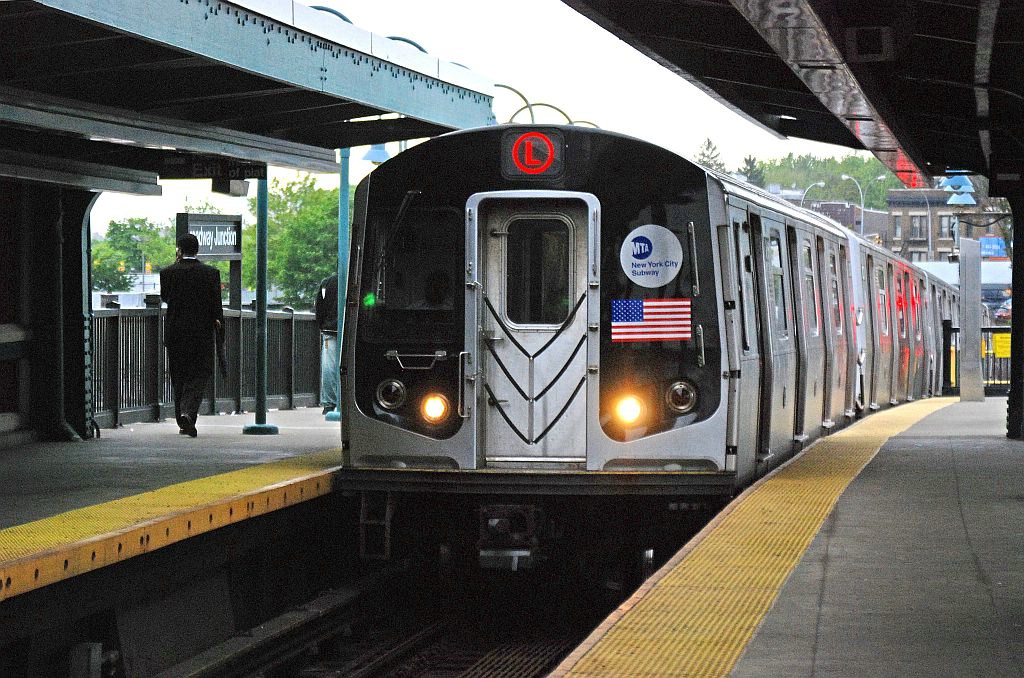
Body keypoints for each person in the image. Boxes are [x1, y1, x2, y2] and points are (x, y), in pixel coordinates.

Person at [160, 234, 224, 437]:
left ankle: (183, 420)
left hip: (175, 333)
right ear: (197, 250)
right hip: (201, 333)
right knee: (200, 374)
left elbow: (166, 297)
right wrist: (218, 325)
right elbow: (216, 305)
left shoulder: (167, 273)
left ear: (179, 250)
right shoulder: (211, 273)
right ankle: (188, 413)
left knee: (179, 376)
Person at [315, 274, 339, 415]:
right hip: (353, 331)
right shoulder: (358, 280)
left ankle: (329, 403)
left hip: (330, 329)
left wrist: (323, 325)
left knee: (329, 366)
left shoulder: (327, 283)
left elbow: (319, 308)